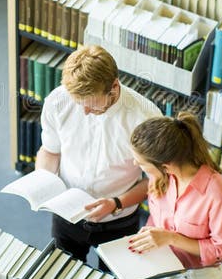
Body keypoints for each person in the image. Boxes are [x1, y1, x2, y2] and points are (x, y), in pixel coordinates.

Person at [37, 45, 160, 264]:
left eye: (91, 106)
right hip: (67, 215)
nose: (84, 112)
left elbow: (157, 181)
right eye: (78, 103)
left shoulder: (145, 119)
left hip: (119, 219)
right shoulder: (57, 101)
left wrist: (116, 203)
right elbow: (49, 151)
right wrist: (43, 183)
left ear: (113, 87)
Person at [128, 111, 222, 279]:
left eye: (141, 163)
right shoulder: (158, 178)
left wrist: (171, 238)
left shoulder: (217, 193)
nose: (136, 165)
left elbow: (221, 251)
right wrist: (151, 233)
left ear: (166, 165)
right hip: (159, 270)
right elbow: (156, 219)